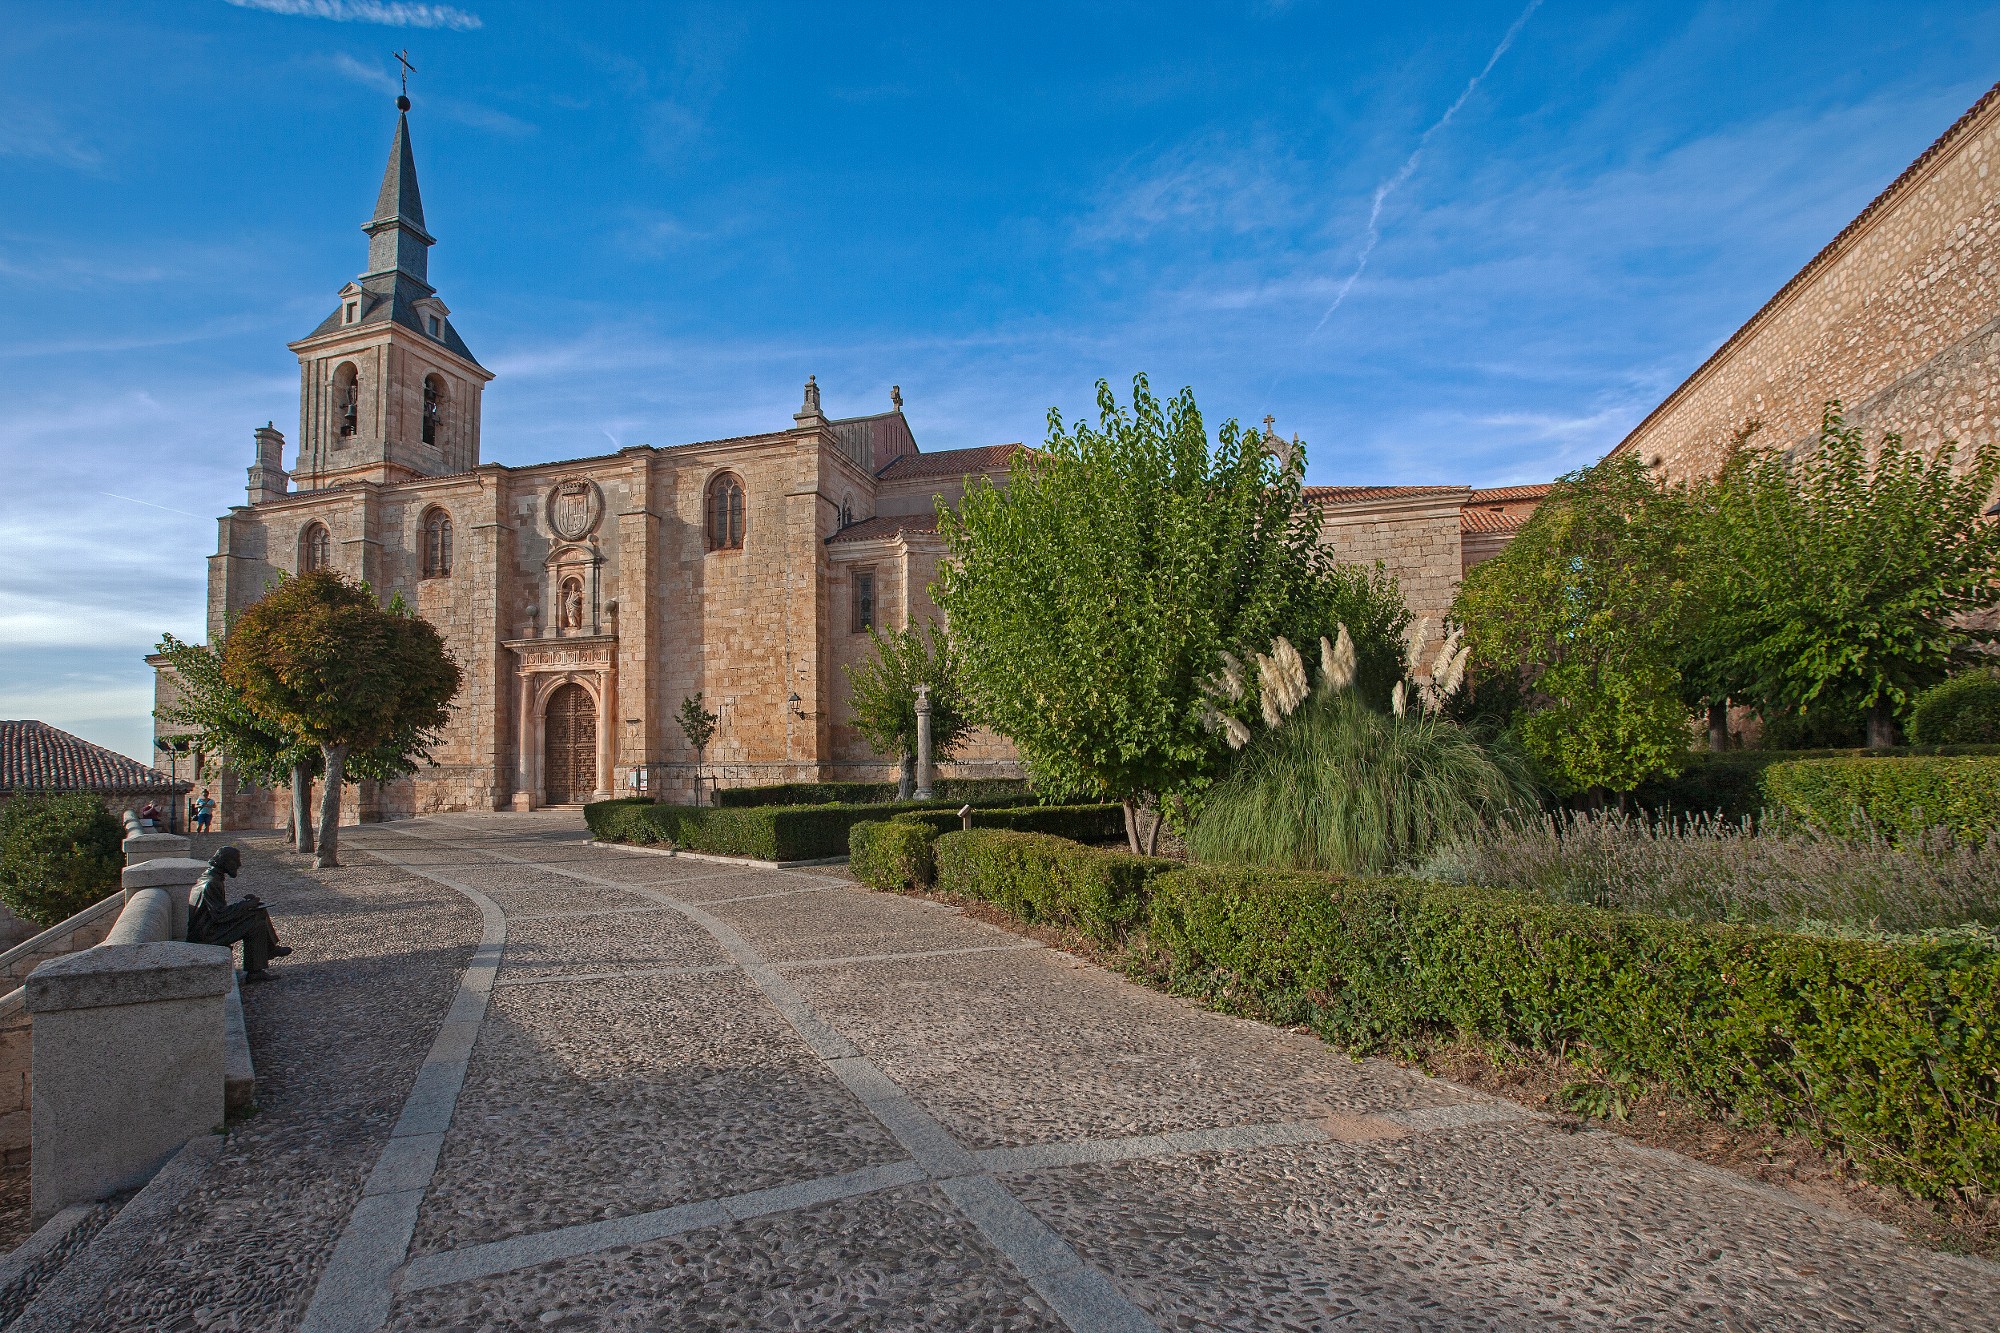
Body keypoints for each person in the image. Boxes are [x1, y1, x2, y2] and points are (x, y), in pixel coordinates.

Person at [188, 846, 292, 980]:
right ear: (225, 862)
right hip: (207, 935)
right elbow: (220, 915)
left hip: (208, 928)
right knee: (255, 922)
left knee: (258, 911)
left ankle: (269, 951)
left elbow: (217, 911)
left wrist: (246, 905)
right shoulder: (211, 883)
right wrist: (245, 905)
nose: (239, 864)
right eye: (236, 860)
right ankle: (256, 970)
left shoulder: (211, 877)